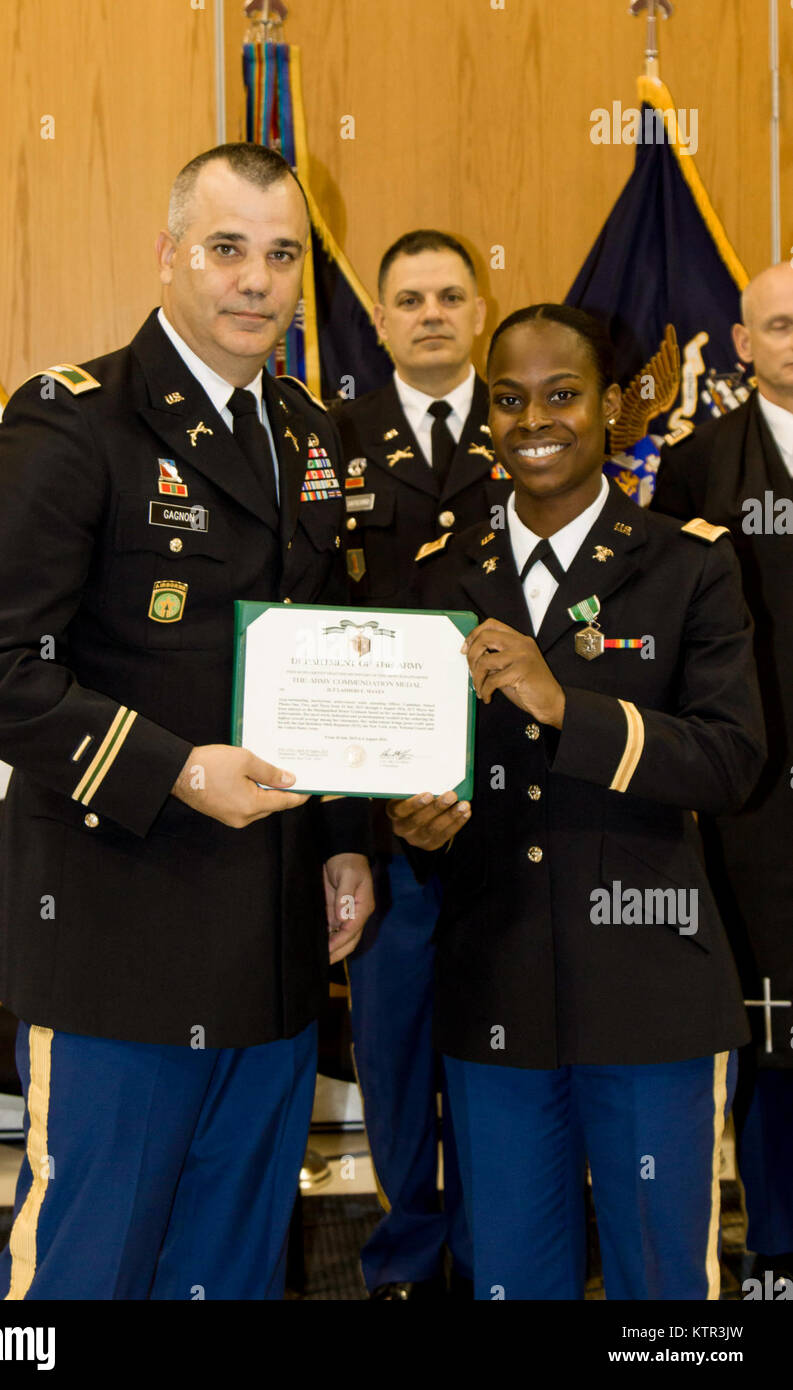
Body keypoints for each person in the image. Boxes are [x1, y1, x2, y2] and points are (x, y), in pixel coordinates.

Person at [0, 142, 374, 1301]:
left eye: (281, 256)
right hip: (117, 928)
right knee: (85, 1266)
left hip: (271, 935)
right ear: (170, 254)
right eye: (227, 249)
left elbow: (324, 659)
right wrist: (175, 771)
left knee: (228, 1266)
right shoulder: (75, 423)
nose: (256, 282)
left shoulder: (312, 433)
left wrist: (342, 844)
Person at [388, 303, 766, 1300]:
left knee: (663, 1290)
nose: (532, 420)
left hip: (650, 989)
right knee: (510, 1275)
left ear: (608, 407)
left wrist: (569, 711)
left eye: (561, 395)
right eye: (507, 400)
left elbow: (732, 763)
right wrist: (408, 828)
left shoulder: (689, 563)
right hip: (495, 985)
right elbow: (416, 766)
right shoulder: (436, 579)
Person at [331, 230, 507, 1298]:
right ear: (383, 320)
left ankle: (503, 1251)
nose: (431, 312)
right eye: (410, 298)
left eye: (450, 294)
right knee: (393, 1050)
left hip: (504, 799)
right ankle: (406, 1256)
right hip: (378, 805)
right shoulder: (331, 439)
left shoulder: (533, 423)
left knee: (500, 1049)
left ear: (480, 308)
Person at [652, 262, 793, 1288]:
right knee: (772, 1031)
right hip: (757, 807)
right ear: (742, 345)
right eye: (780, 326)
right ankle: (776, 1245)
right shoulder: (698, 466)